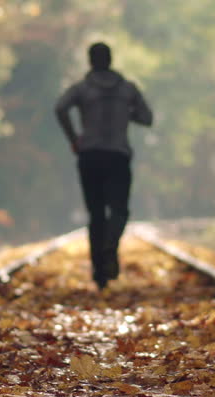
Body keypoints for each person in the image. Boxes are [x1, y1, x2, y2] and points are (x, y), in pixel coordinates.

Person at [55, 42, 153, 289]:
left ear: (90, 61)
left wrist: (73, 138)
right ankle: (111, 245)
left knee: (96, 213)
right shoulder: (128, 89)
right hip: (118, 155)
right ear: (110, 59)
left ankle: (100, 273)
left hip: (90, 155)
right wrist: (122, 112)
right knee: (120, 210)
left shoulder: (82, 88)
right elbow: (146, 118)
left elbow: (60, 108)